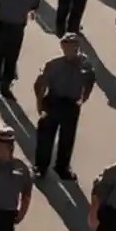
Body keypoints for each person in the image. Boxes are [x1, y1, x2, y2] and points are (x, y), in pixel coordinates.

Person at [33, 34, 95, 178]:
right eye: (67, 46)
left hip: (71, 104)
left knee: (67, 138)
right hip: (53, 102)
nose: (70, 49)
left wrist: (83, 98)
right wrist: (40, 104)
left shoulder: (85, 64)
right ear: (62, 47)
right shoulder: (53, 65)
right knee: (45, 138)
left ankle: (62, 167)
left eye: (73, 46)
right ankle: (40, 167)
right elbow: (39, 84)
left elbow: (90, 80)